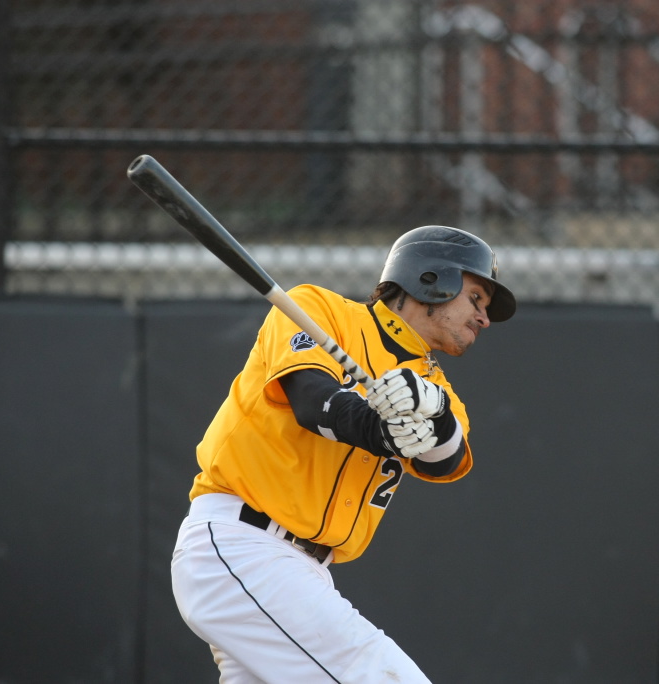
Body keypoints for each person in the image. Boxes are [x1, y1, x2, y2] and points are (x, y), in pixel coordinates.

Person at [171, 225, 516, 683]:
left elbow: (447, 459)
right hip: (243, 545)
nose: (484, 319)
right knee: (381, 675)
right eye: (476, 299)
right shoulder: (318, 310)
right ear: (432, 280)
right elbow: (313, 403)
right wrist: (385, 428)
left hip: (305, 572)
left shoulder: (437, 389)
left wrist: (434, 417)